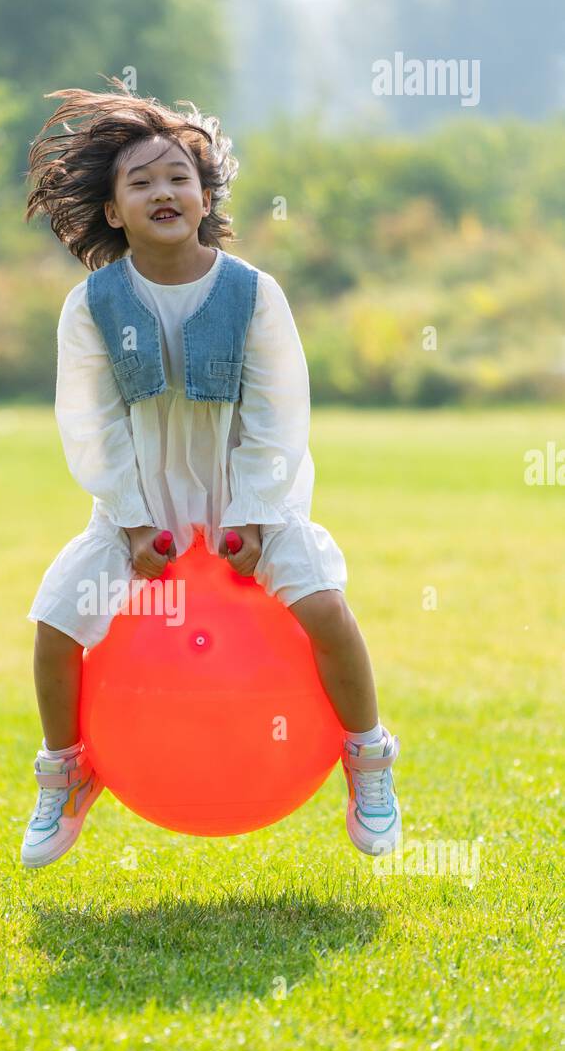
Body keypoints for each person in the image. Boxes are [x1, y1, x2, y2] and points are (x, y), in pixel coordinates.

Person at [21, 77, 400, 868]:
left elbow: (276, 415)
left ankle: (367, 759)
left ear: (203, 197)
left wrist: (256, 516)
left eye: (177, 177)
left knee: (326, 612)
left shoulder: (253, 294)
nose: (162, 190)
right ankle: (67, 771)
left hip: (249, 506)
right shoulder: (90, 306)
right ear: (113, 210)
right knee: (56, 626)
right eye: (140, 181)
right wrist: (129, 521)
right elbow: (89, 422)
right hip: (137, 509)